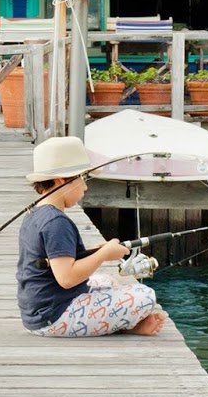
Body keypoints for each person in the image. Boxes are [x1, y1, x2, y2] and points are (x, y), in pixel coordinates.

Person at [16, 136, 167, 338]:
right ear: (63, 180)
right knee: (145, 296)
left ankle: (123, 325)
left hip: (38, 310)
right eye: (83, 178)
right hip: (55, 316)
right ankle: (125, 326)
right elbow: (67, 279)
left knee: (108, 281)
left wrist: (96, 250)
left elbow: (58, 259)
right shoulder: (56, 223)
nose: (86, 187)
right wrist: (104, 254)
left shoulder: (35, 213)